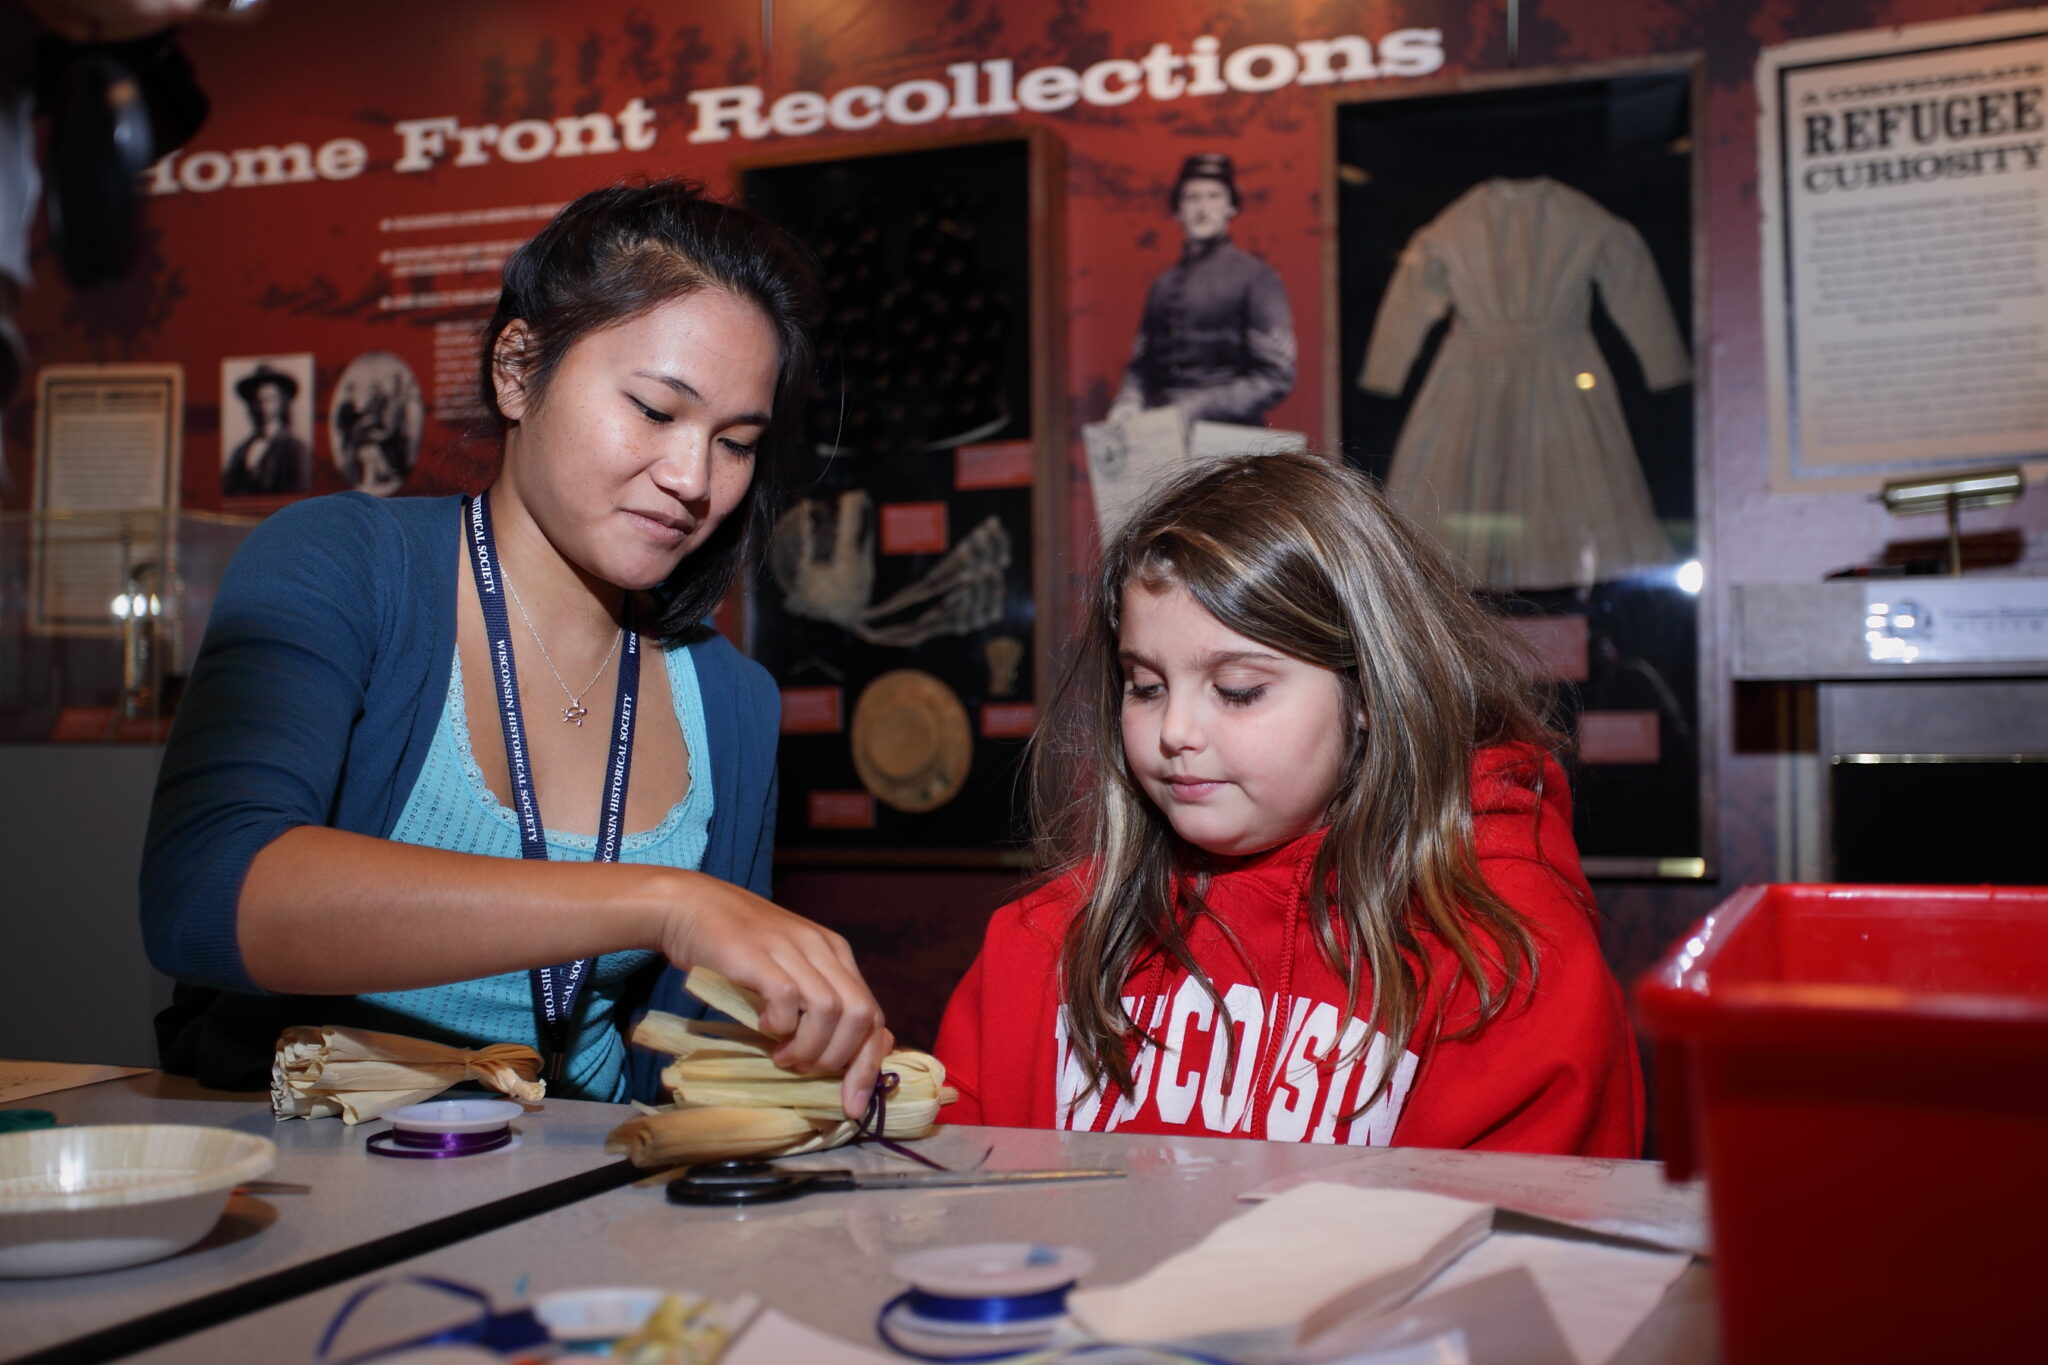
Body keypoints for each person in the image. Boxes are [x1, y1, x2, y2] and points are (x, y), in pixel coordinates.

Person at [143, 180, 892, 1113]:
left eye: (735, 442)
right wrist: (663, 902)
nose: (694, 478)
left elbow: (679, 1065)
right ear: (516, 368)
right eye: (657, 411)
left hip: (580, 1210)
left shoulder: (731, 699)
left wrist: (804, 1053)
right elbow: (205, 890)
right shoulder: (344, 564)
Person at [934, 453, 1642, 1155]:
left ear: (1368, 694)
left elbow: (1516, 1245)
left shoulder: (1501, 955)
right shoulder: (1043, 943)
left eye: (1238, 688)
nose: (1174, 731)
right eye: (1145, 686)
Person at [1107, 153, 1296, 427]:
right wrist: (1128, 402)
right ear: (1177, 210)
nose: (1202, 208)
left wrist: (1196, 408)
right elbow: (1142, 367)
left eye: (1213, 196)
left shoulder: (1256, 277)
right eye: (1192, 198)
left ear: (1231, 206)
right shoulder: (1161, 286)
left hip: (1232, 438)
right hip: (1161, 433)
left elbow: (1276, 376)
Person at [221, 362, 311, 496]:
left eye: (269, 399)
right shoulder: (240, 451)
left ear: (281, 403)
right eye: (258, 400)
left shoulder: (295, 449)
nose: (263, 406)